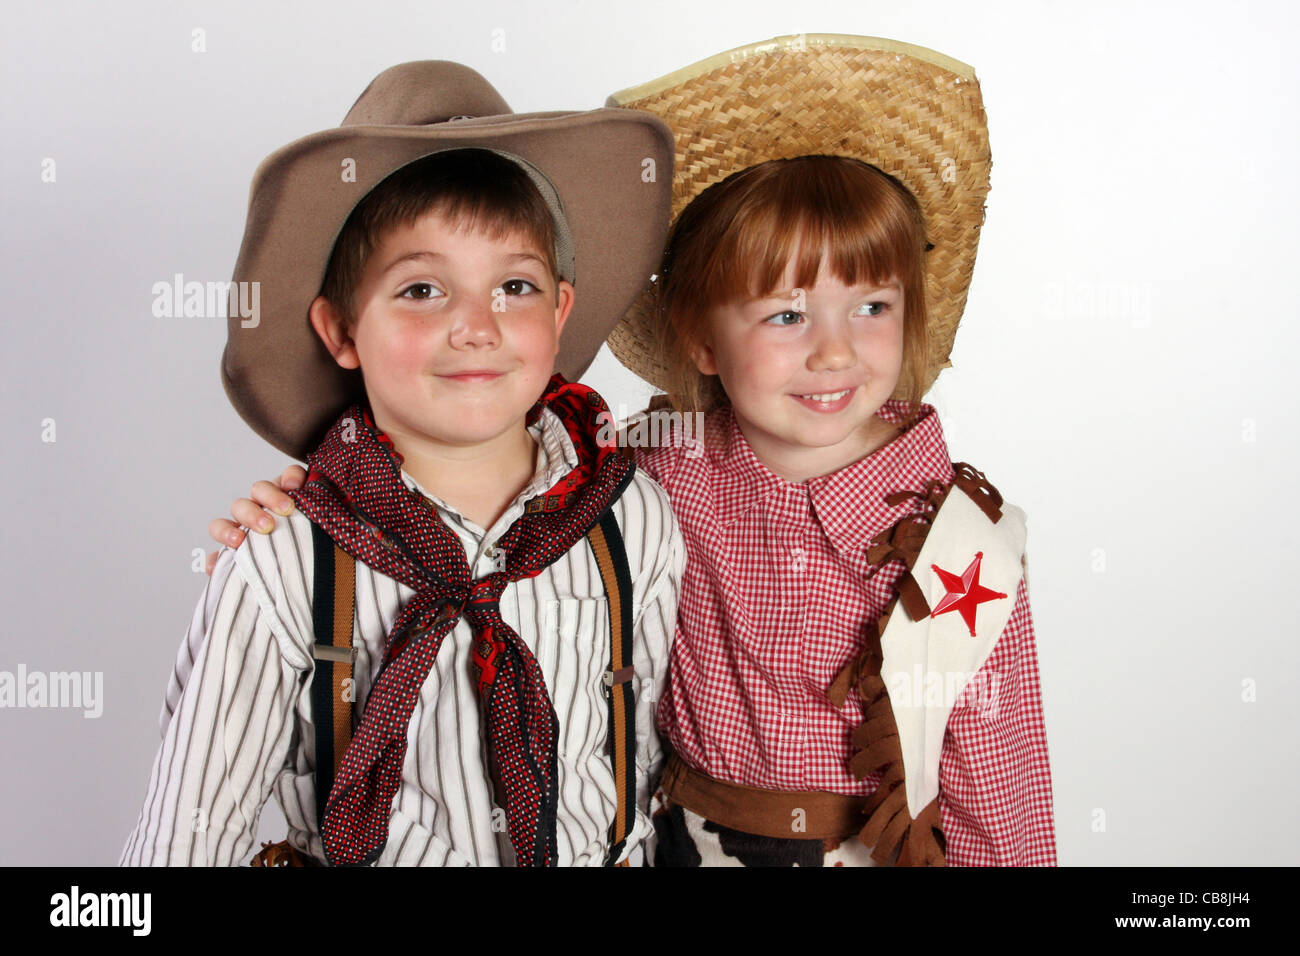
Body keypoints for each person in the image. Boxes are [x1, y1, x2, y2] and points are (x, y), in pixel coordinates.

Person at [209, 35, 1057, 866]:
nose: (835, 352)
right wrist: (327, 505)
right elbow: (486, 450)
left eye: (872, 307)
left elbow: (1002, 786)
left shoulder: (955, 545)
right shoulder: (648, 467)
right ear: (701, 340)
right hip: (677, 845)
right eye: (787, 315)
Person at [121, 60, 683, 867]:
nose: (477, 327)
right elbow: (185, 840)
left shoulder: (632, 521)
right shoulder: (284, 562)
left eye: (514, 286)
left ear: (559, 313)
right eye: (423, 290)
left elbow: (649, 765)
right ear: (342, 330)